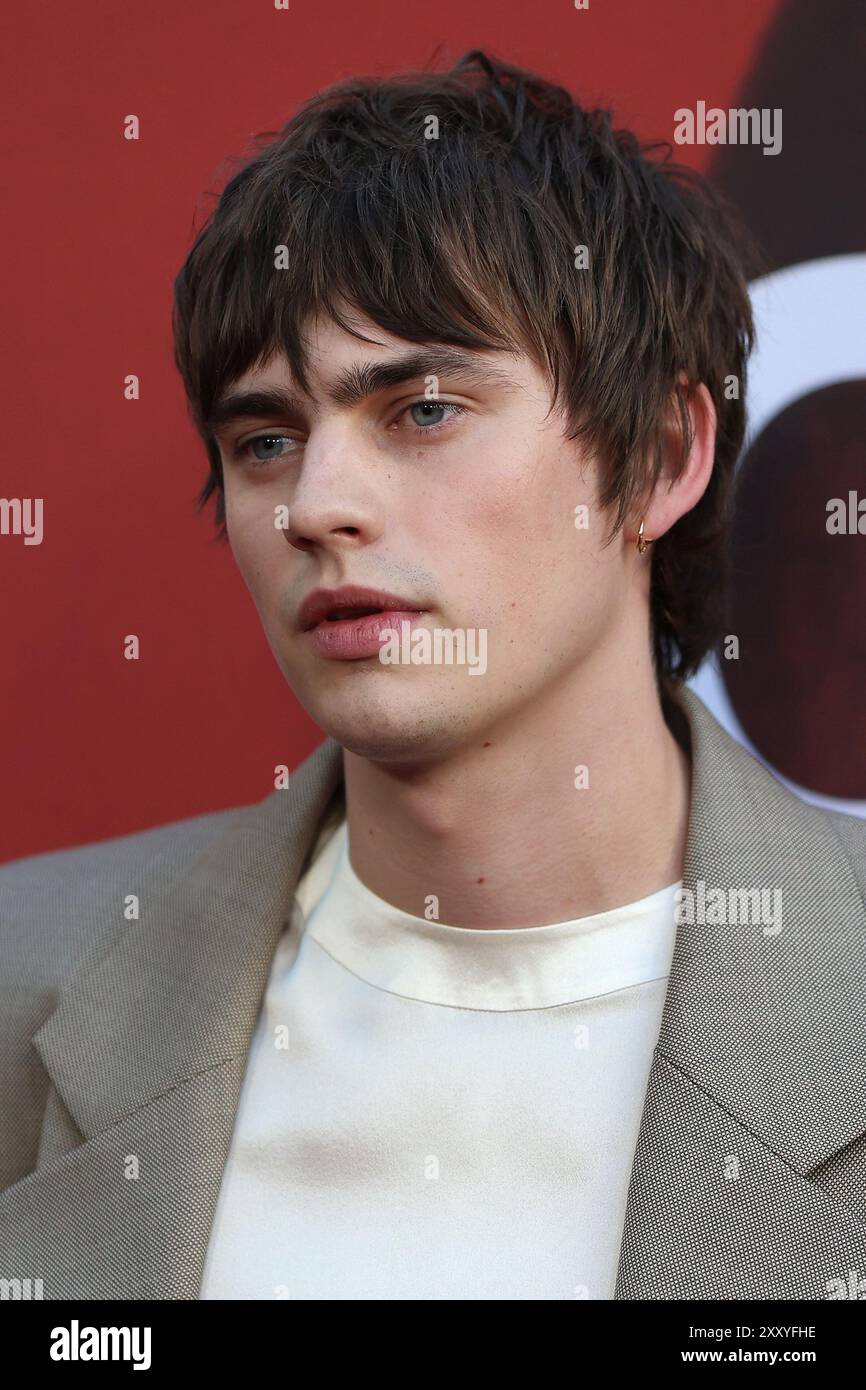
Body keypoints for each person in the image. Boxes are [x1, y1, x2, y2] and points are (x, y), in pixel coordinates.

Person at [1, 50, 864, 1302]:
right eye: (263, 440)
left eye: (420, 410)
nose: (315, 504)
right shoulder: (32, 979)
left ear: (664, 453)